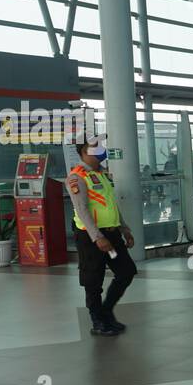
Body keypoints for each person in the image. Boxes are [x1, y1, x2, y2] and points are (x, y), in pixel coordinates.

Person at [67, 133, 137, 337]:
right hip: (90, 238)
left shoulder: (101, 174)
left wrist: (124, 228)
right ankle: (98, 320)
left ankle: (106, 312)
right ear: (83, 151)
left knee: (126, 272)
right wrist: (97, 237)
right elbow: (82, 210)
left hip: (112, 234)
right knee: (93, 280)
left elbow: (111, 205)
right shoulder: (76, 177)